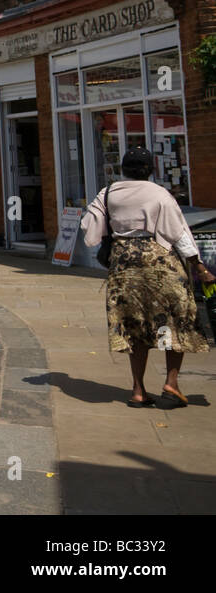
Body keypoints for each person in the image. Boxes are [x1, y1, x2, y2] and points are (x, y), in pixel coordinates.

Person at [80, 147, 215, 408]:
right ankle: (171, 384)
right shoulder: (159, 194)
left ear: (123, 169)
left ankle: (138, 391)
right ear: (150, 169)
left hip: (123, 264)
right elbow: (179, 234)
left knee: (134, 324)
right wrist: (199, 267)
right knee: (176, 319)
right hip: (159, 260)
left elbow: (88, 225)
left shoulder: (108, 193)